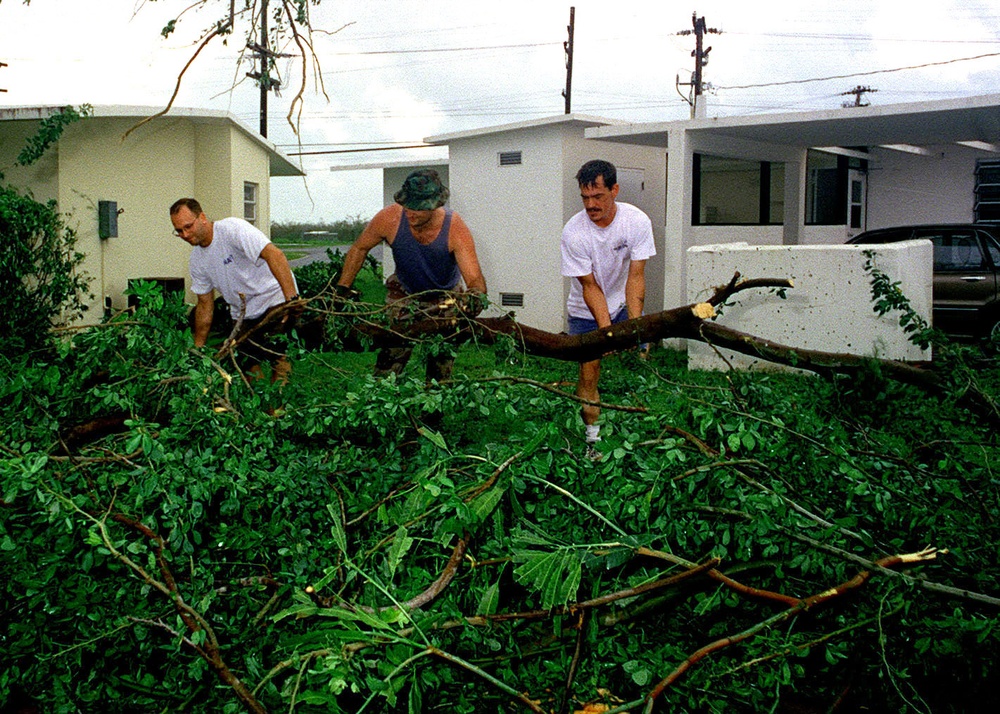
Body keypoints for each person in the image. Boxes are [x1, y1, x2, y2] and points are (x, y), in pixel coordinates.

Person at [336, 169, 487, 381]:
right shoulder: (389, 219)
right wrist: (342, 290)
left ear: (435, 206)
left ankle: (433, 407)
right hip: (403, 295)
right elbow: (359, 249)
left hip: (444, 299)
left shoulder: (454, 228)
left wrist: (476, 296)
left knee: (439, 372)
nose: (410, 212)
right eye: (407, 205)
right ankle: (383, 402)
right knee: (388, 365)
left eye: (418, 208)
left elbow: (474, 278)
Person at [561, 160, 656, 458]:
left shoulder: (636, 221)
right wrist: (608, 332)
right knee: (589, 375)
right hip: (584, 310)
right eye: (585, 198)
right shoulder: (573, 233)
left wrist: (634, 328)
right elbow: (590, 287)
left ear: (614, 190)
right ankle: (592, 442)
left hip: (621, 303)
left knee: (637, 363)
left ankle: (634, 436)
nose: (591, 205)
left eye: (598, 196)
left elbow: (636, 276)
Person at [170, 197, 300, 381]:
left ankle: (278, 409)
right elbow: (205, 305)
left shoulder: (232, 229)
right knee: (247, 366)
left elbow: (274, 255)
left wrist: (291, 301)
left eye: (188, 227)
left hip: (273, 297)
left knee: (279, 357)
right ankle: (258, 407)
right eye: (179, 231)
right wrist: (198, 349)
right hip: (242, 312)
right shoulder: (197, 260)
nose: (184, 234)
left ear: (202, 217)